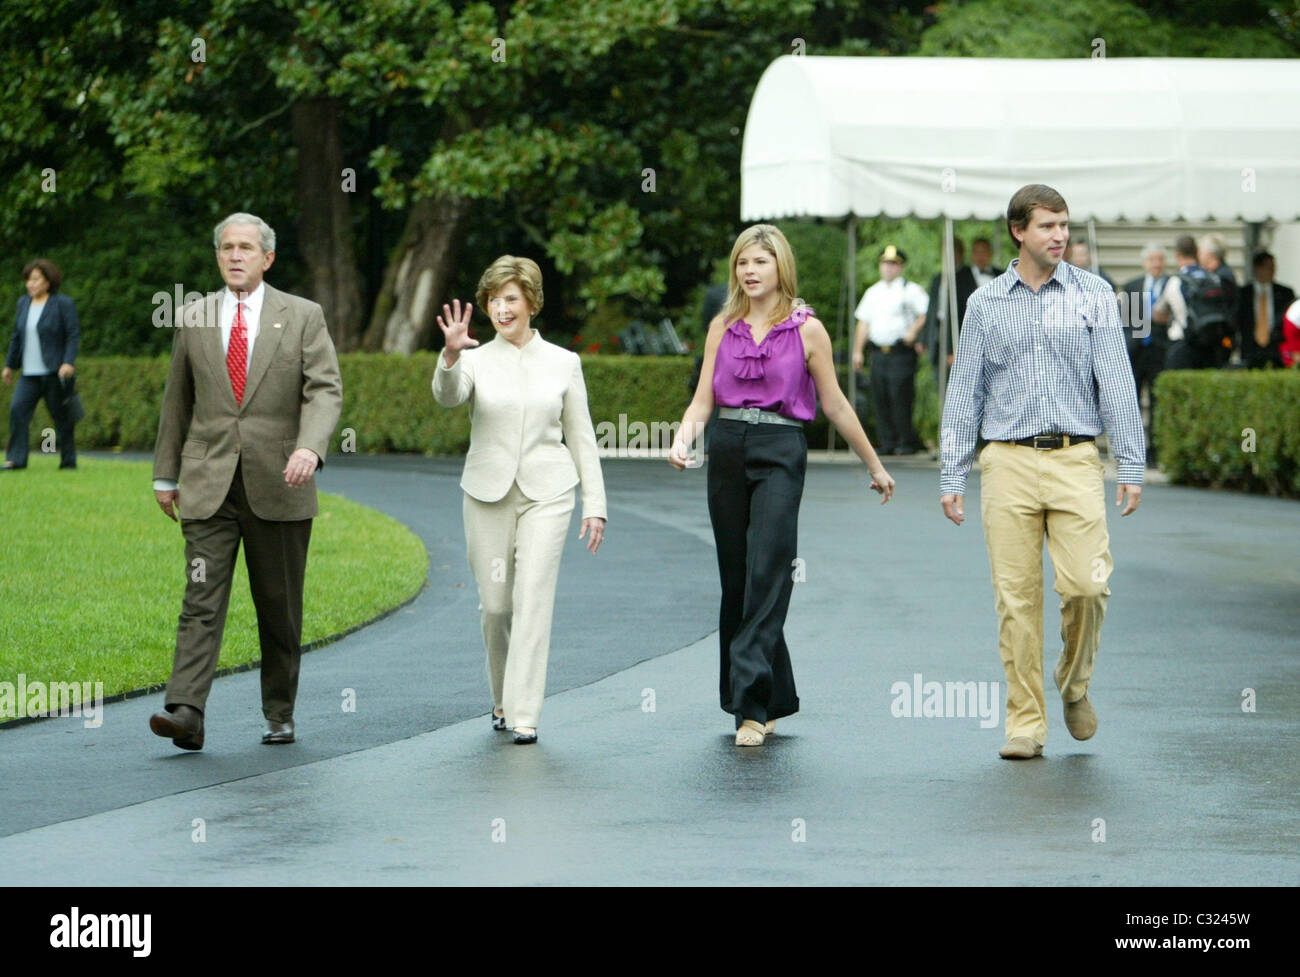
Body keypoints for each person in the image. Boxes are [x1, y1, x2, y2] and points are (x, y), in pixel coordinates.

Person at [669, 224, 895, 747]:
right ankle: (773, 697)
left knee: (769, 568)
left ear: (780, 268)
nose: (749, 271)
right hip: (726, 446)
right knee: (737, 579)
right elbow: (703, 398)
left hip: (781, 449)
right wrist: (685, 440)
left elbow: (835, 403)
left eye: (760, 263)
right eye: (743, 263)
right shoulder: (722, 326)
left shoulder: (807, 329)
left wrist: (874, 465)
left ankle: (749, 705)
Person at [939, 184, 1144, 761]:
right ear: (1019, 231)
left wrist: (1130, 461)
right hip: (1004, 460)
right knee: (1017, 600)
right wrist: (952, 474)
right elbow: (965, 393)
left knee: (1087, 585)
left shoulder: (1095, 295)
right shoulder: (984, 304)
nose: (1060, 236)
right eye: (1048, 226)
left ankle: (1074, 683)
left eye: (1065, 226)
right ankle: (1025, 722)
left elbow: (1117, 383)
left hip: (1076, 458)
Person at [149, 213, 343, 751]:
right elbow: (177, 403)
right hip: (207, 483)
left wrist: (310, 445)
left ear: (268, 258)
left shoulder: (303, 316)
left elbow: (324, 390)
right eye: (227, 248)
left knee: (278, 606)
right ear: (218, 256)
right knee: (201, 598)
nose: (235, 256)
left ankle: (279, 712)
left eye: (246, 248)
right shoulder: (193, 317)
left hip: (281, 483)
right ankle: (186, 710)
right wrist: (166, 475)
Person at [433, 256, 606, 746]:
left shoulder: (564, 363)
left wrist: (595, 503)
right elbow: (448, 396)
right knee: (496, 606)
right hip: (486, 493)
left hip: (548, 492)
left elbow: (582, 437)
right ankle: (502, 696)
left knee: (532, 599)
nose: (501, 308)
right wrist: (448, 357)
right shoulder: (472, 359)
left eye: (511, 298)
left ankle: (525, 711)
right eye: (493, 299)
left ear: (531, 301)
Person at [851, 245, 929, 455]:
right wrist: (857, 351)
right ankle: (887, 441)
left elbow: (925, 313)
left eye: (893, 264)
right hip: (878, 351)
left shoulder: (909, 289)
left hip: (900, 351)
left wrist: (914, 331)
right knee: (880, 395)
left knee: (900, 395)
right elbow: (863, 323)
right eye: (885, 263)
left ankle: (905, 440)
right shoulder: (873, 292)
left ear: (901, 267)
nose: (888, 268)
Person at [3, 259, 80, 471]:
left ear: (48, 282)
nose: (30, 284)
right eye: (28, 279)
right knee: (17, 410)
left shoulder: (62, 304)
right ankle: (16, 460)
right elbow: (17, 337)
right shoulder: (23, 304)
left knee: (62, 417)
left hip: (54, 372)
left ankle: (68, 461)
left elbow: (73, 335)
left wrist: (68, 362)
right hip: (29, 374)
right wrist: (9, 365)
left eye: (35, 279)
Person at [1120, 243, 1170, 464]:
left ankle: (1156, 450)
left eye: (1159, 259)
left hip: (1160, 352)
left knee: (1158, 402)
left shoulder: (1172, 285)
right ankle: (1133, 449)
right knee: (1133, 403)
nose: (1156, 264)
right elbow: (1127, 322)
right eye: (1152, 260)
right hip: (1137, 354)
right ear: (1144, 263)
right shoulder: (1132, 286)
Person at [1158, 235, 1229, 371]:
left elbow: (1159, 314)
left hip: (1182, 344)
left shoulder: (1175, 281)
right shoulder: (1213, 277)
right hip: (1211, 345)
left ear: (1177, 255)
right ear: (1197, 252)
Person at [922, 238, 977, 378]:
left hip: (956, 338)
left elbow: (964, 314)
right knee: (939, 379)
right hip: (938, 336)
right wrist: (924, 338)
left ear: (960, 254)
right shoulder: (938, 278)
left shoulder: (967, 277)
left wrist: (954, 349)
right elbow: (932, 310)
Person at [1233, 251, 1295, 369]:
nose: (1271, 271)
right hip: (1251, 347)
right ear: (1257, 269)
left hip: (1276, 347)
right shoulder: (1243, 293)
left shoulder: (1285, 293)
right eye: (1267, 267)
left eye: (1273, 268)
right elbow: (1238, 319)